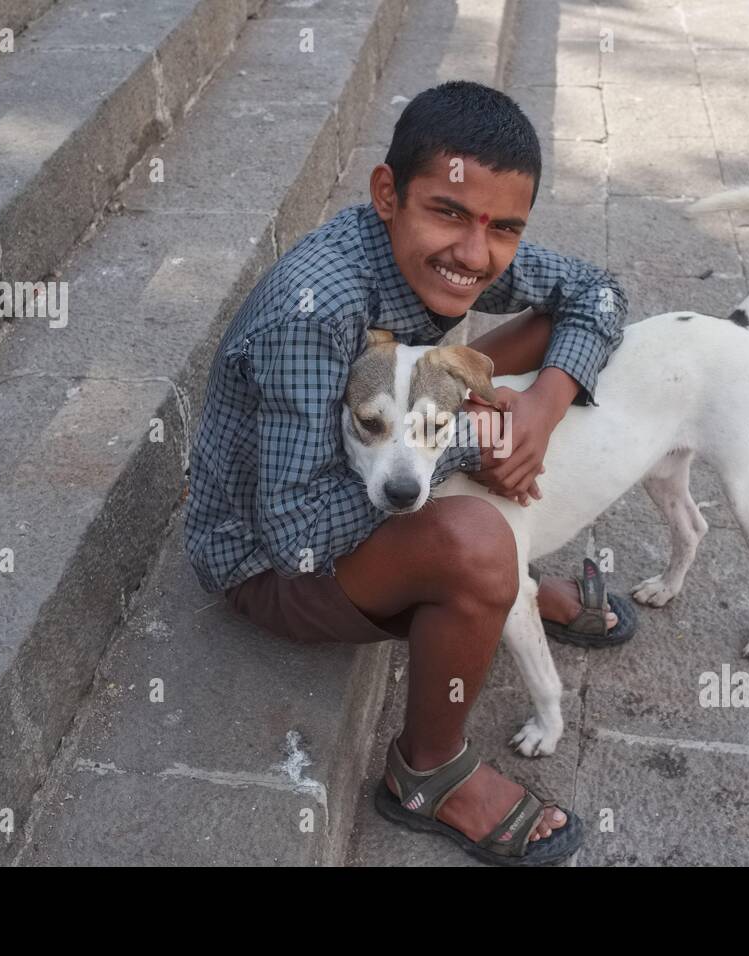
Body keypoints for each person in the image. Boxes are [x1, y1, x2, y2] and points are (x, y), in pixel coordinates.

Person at [186, 81, 630, 864]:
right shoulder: (314, 315)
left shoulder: (458, 256)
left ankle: (508, 597)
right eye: (450, 211)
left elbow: (597, 293)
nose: (473, 252)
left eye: (503, 228)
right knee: (475, 544)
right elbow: (294, 536)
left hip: (367, 452)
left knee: (546, 345)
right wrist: (474, 434)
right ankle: (428, 772)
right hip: (267, 558)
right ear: (387, 194)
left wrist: (542, 408)